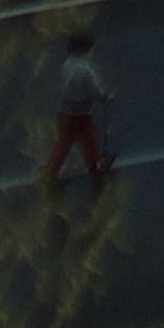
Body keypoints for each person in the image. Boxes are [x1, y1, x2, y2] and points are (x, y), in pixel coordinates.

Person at [46, 21, 115, 200]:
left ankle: (51, 172)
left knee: (63, 143)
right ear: (87, 49)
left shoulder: (67, 64)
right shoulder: (85, 70)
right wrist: (106, 96)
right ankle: (96, 172)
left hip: (64, 111)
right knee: (89, 141)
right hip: (81, 114)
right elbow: (95, 91)